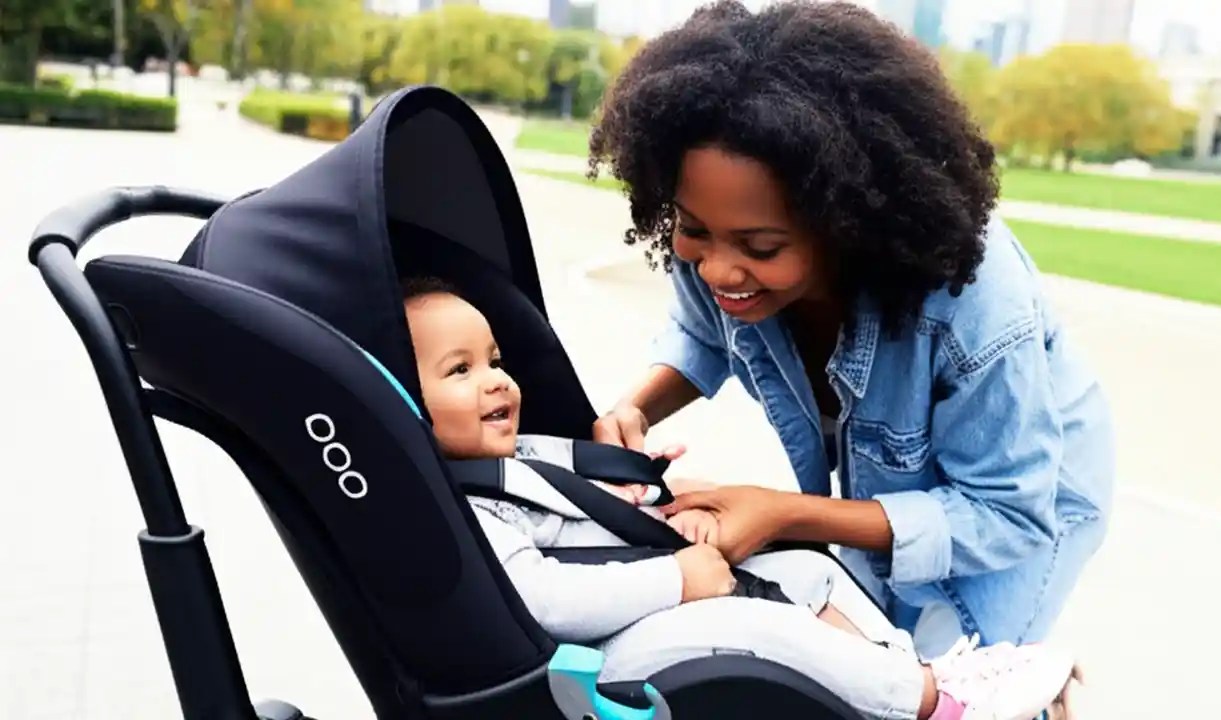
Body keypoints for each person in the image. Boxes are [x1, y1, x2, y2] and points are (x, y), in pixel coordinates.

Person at [586, 0, 1115, 660]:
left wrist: (785, 513)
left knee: (963, 680)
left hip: (1022, 498)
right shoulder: (718, 233)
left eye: (759, 245)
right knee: (875, 651)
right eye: (694, 230)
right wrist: (631, 410)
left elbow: (1007, 514)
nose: (718, 267)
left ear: (845, 223)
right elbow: (702, 337)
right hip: (897, 488)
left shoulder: (972, 296)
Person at [399, 276, 1080, 720]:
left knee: (809, 573)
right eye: (460, 371)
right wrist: (677, 576)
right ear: (407, 407)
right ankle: (938, 702)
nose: (497, 382)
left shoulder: (517, 456)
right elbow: (545, 599)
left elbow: (578, 512)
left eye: (494, 360)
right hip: (603, 651)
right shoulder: (467, 510)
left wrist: (633, 496)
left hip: (647, 600)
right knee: (770, 631)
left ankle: (906, 683)